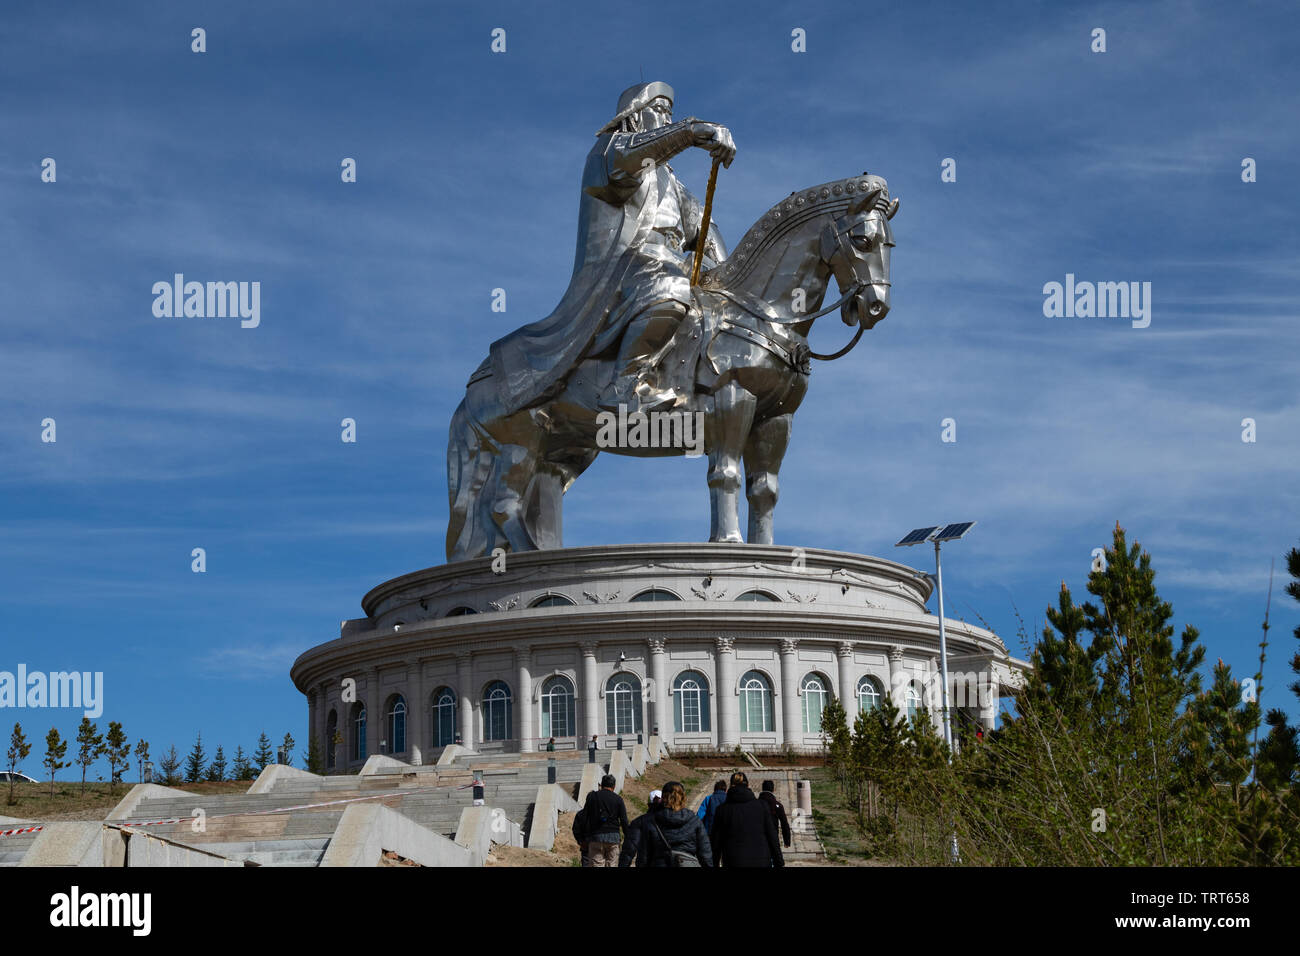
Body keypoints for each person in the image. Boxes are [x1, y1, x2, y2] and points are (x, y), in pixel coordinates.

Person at [488, 81, 736, 418]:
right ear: (634, 117)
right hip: (623, 270)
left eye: (670, 114)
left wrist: (726, 277)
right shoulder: (608, 152)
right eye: (659, 111)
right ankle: (626, 385)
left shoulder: (675, 187)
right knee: (671, 286)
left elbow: (705, 232)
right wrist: (690, 131)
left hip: (667, 265)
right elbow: (637, 157)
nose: (666, 119)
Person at [710, 771, 783, 868]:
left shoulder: (722, 810)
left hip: (732, 861)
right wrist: (779, 861)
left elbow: (716, 844)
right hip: (761, 861)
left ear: (730, 787)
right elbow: (772, 836)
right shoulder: (762, 806)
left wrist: (714, 863)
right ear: (748, 786)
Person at [636, 781, 712, 868]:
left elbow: (643, 855)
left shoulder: (652, 821)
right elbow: (705, 854)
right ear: (683, 798)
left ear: (663, 798)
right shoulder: (694, 821)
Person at [581, 773, 630, 867]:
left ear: (601, 785)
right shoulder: (618, 799)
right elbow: (624, 820)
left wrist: (583, 838)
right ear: (614, 786)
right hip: (613, 838)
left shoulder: (592, 797)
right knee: (612, 864)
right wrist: (628, 837)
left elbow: (584, 817)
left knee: (596, 864)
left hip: (596, 837)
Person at [618, 789, 663, 866]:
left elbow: (630, 849)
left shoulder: (639, 821)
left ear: (648, 805)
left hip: (645, 862)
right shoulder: (672, 820)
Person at [758, 779, 792, 849]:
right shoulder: (777, 805)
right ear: (773, 789)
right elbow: (784, 824)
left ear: (762, 788)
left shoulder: (755, 804)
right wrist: (787, 841)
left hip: (758, 839)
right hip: (773, 838)